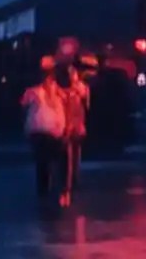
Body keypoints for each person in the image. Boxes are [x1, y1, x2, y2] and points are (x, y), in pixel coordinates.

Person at [21, 61, 66, 203]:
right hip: (39, 132)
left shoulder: (57, 93)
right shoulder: (35, 92)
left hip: (55, 132)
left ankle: (53, 188)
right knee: (42, 162)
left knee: (54, 161)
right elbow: (24, 103)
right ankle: (44, 190)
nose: (49, 82)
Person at [55, 62, 90, 207]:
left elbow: (86, 105)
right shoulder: (66, 90)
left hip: (74, 126)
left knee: (73, 155)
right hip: (68, 126)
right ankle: (69, 184)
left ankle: (71, 182)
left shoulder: (78, 89)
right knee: (69, 156)